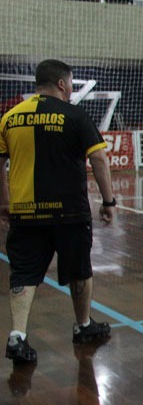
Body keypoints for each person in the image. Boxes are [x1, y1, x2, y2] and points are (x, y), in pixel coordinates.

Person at [0, 59, 117, 363]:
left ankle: (17, 336)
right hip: (70, 212)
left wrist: (4, 202)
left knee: (23, 273)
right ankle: (83, 326)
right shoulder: (75, 115)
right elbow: (99, 160)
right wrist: (108, 202)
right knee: (79, 270)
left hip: (25, 211)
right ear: (63, 84)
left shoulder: (10, 118)